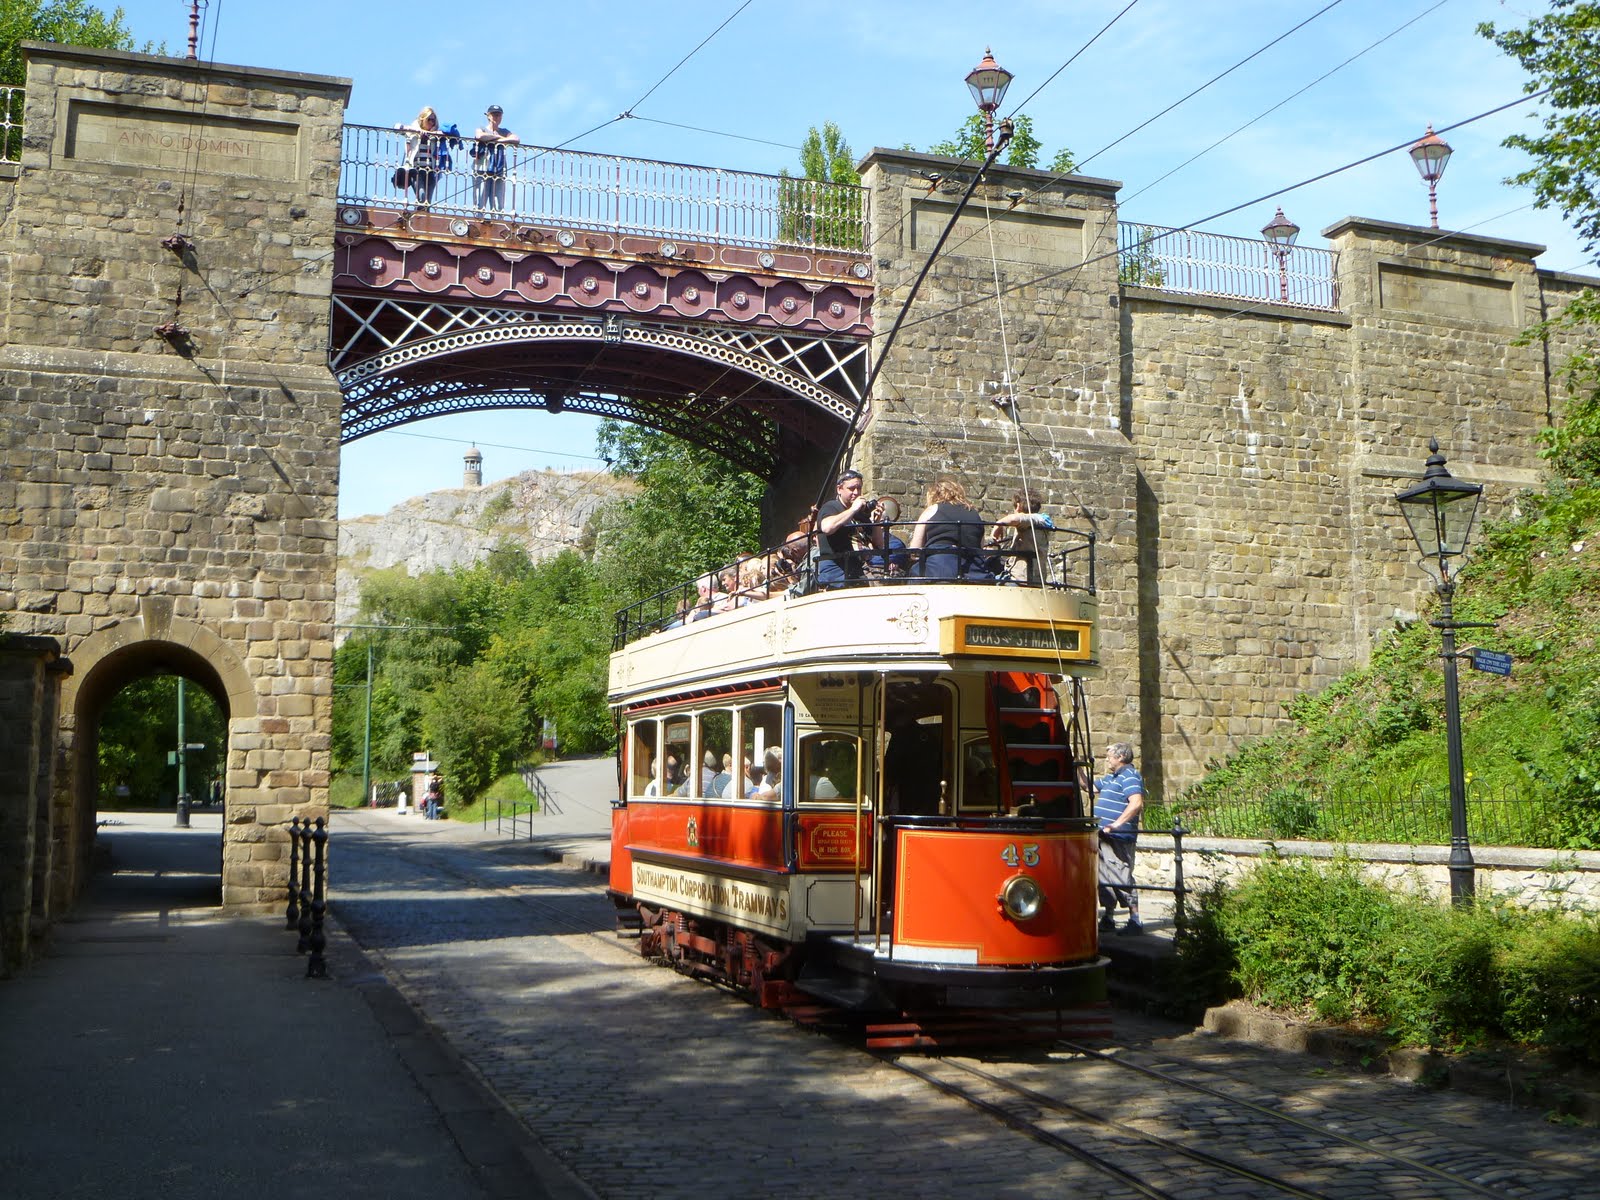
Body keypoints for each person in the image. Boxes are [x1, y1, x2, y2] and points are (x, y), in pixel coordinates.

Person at [1095, 742, 1145, 934]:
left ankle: (1135, 920)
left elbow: (1136, 803)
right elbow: (1087, 786)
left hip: (1118, 835)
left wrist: (1115, 824)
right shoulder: (1112, 778)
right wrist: (1076, 767)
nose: (1107, 759)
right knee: (1103, 876)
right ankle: (1108, 916)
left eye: (1110, 755)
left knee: (1120, 874)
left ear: (1121, 757)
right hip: (1103, 835)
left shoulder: (1130, 776)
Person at [907, 480, 987, 580]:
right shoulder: (975, 514)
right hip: (973, 572)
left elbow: (915, 550)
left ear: (933, 495)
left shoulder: (931, 510)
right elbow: (981, 549)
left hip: (937, 569)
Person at [815, 469, 882, 588]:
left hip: (862, 567)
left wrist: (877, 521)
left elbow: (879, 543)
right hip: (838, 568)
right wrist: (853, 510)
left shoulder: (860, 514)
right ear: (839, 489)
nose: (856, 493)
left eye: (859, 488)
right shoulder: (831, 507)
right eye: (851, 488)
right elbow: (827, 527)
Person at [989, 488, 1056, 584]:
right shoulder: (1038, 522)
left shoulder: (1035, 519)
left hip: (1020, 580)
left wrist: (999, 524)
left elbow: (1014, 518)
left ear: (1018, 505)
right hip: (1026, 578)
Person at [397, 106, 451, 211]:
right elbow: (397, 127)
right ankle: (419, 218)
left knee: (427, 201)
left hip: (431, 170)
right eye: (429, 119)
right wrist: (416, 131)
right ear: (423, 119)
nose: (432, 123)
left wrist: (434, 133)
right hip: (416, 169)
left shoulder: (435, 134)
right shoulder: (414, 130)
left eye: (433, 120)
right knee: (421, 196)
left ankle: (422, 218)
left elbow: (450, 133)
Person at [471, 104, 519, 211]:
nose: (496, 117)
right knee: (480, 199)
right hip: (482, 168)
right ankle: (480, 220)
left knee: (498, 202)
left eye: (499, 115)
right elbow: (480, 136)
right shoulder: (482, 128)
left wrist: (495, 139)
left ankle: (498, 222)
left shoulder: (504, 131)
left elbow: (516, 139)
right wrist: (499, 137)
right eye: (494, 115)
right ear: (488, 116)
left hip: (499, 169)